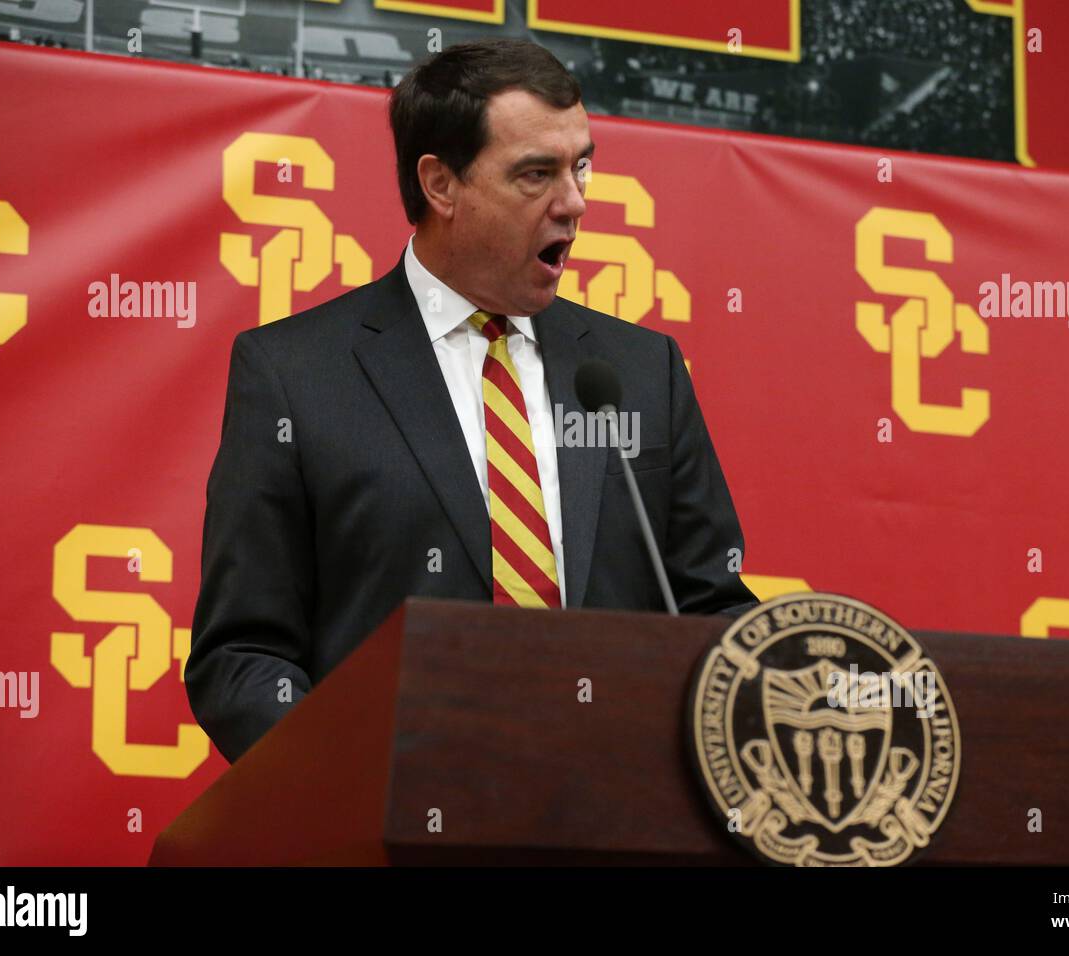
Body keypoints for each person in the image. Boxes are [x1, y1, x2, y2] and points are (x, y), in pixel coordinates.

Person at [186, 38, 758, 763]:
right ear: (441, 184)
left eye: (581, 166)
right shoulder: (295, 374)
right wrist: (346, 790)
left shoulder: (640, 373)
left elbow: (710, 609)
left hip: (611, 822)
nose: (575, 202)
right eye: (536, 174)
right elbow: (242, 655)